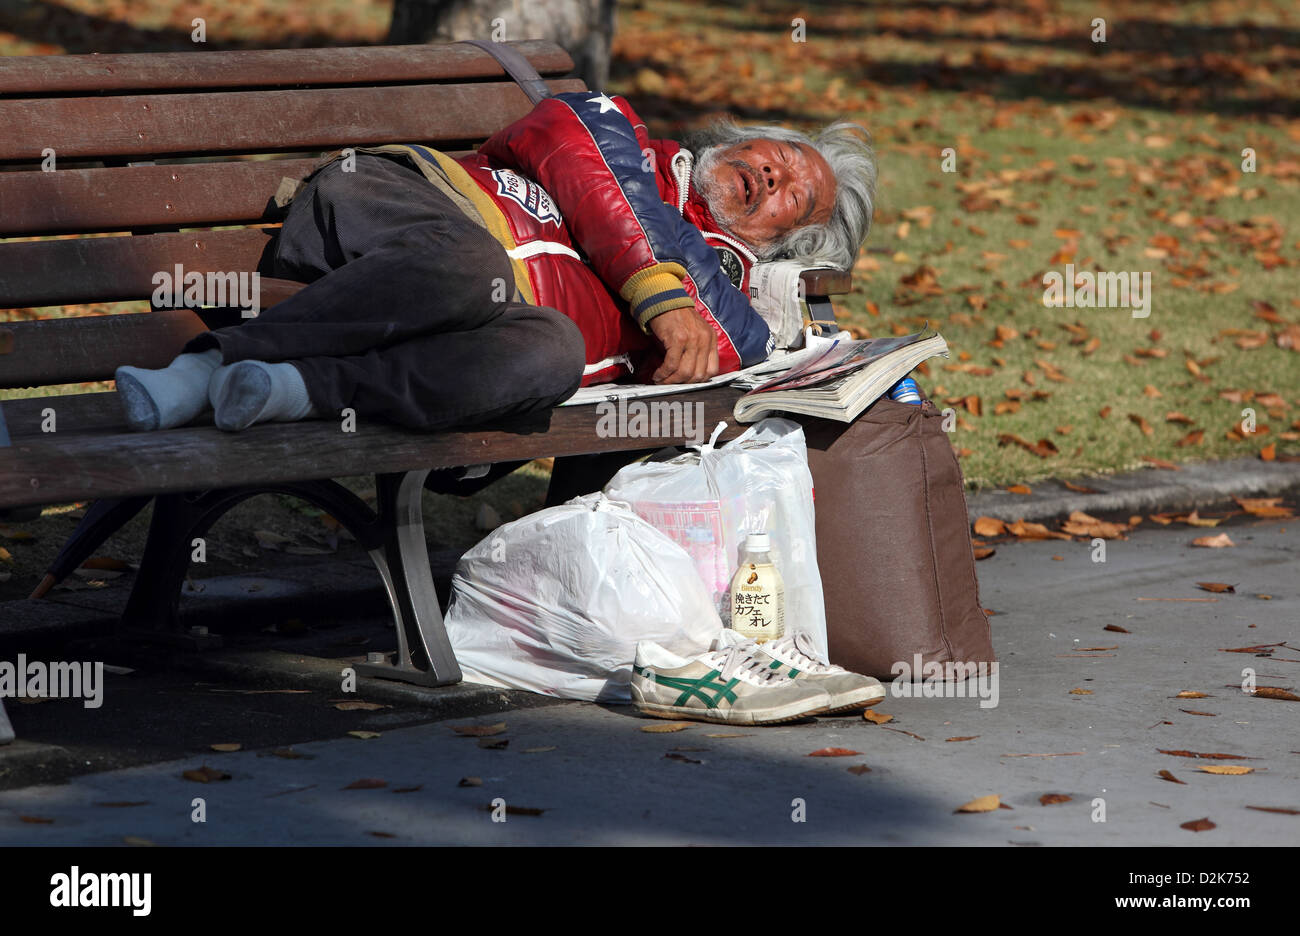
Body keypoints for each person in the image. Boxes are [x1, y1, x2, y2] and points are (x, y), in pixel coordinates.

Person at [114, 91, 877, 434]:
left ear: (784, 246)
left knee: (551, 355)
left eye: (794, 198)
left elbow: (730, 342)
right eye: (776, 156)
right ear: (738, 140)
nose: (776, 177)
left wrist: (693, 279)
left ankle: (286, 389)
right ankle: (206, 365)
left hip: (470, 323)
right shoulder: (619, 132)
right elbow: (575, 143)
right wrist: (654, 285)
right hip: (399, 203)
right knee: (466, 262)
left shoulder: (728, 314)